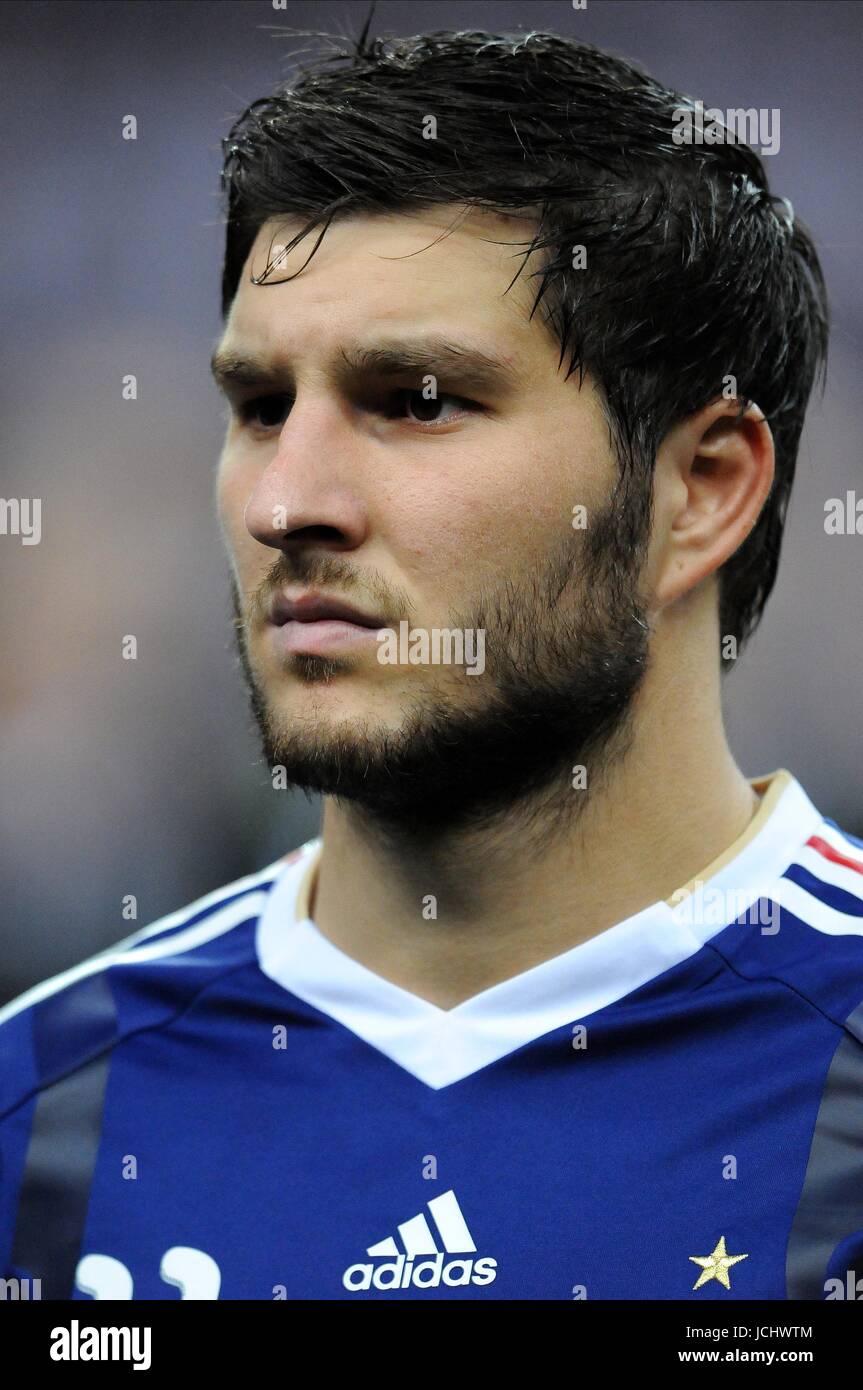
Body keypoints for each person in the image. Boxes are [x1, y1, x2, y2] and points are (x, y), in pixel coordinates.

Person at [2, 26, 860, 1302]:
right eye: (259, 408)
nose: (285, 501)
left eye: (415, 400)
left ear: (699, 489)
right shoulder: (40, 1107)